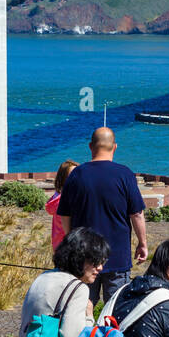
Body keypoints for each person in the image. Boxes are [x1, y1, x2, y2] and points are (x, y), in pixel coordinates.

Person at [57, 127, 147, 304]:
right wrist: (142, 243)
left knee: (81, 307)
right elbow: (136, 214)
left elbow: (64, 215)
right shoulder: (125, 174)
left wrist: (70, 241)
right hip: (117, 254)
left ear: (91, 147)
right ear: (114, 147)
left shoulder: (77, 174)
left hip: (83, 255)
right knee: (116, 310)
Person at [19, 228, 107, 337]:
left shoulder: (44, 276)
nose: (100, 268)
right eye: (95, 262)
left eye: (102, 262)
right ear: (79, 258)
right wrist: (89, 316)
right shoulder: (78, 288)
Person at [46, 159, 78, 252]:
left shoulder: (56, 198)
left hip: (58, 244)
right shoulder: (65, 200)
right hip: (69, 246)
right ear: (64, 178)